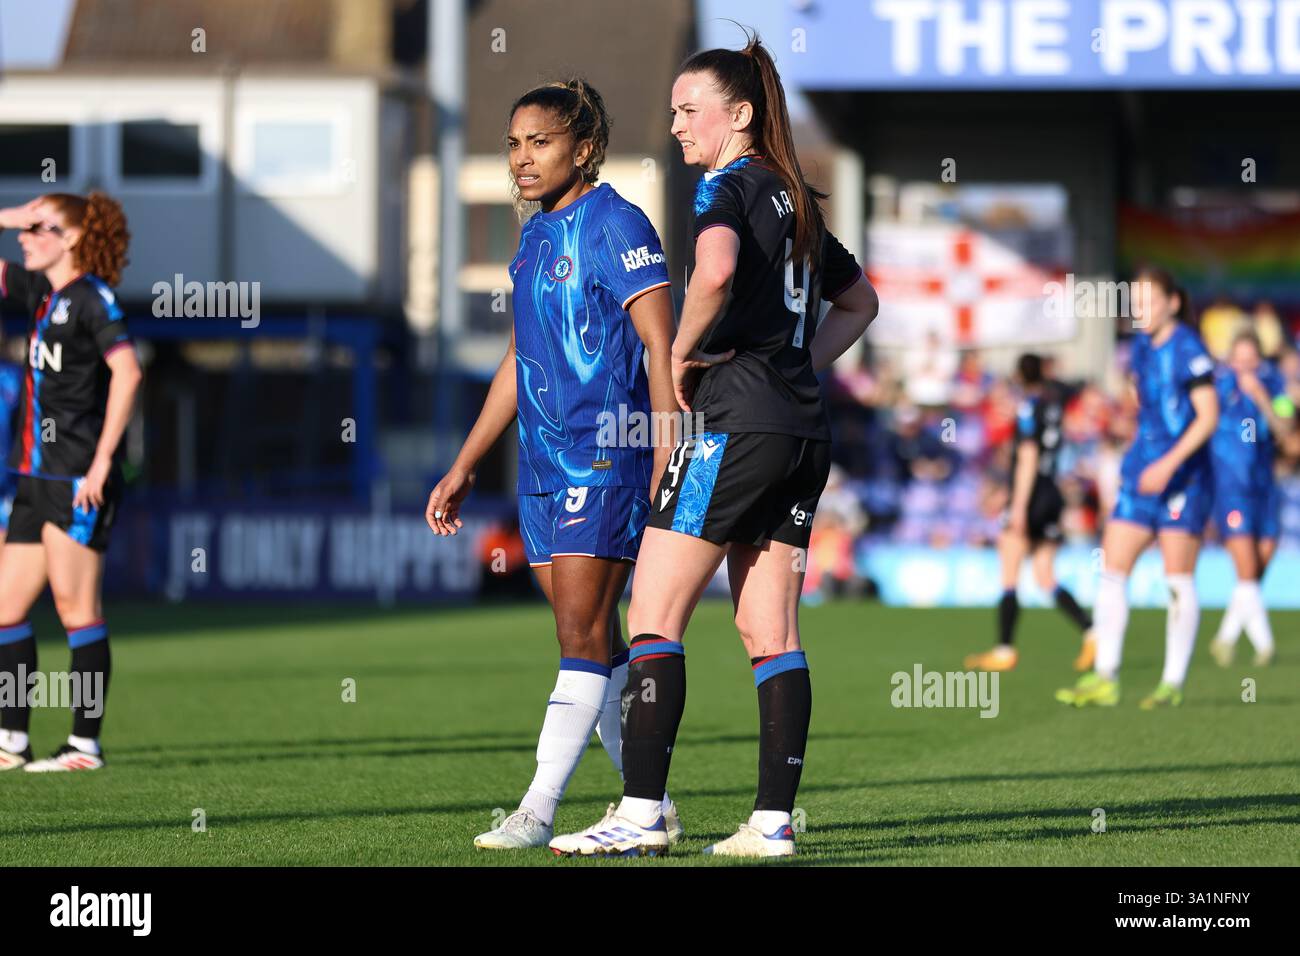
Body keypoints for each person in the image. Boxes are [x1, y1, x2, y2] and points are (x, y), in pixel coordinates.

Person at [550, 32, 879, 858]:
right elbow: (862, 302)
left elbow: (715, 273)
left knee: (653, 615)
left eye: (689, 111)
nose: (676, 127)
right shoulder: (798, 197)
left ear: (738, 116)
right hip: (802, 432)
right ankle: (770, 824)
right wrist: (795, 362)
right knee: (771, 631)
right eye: (672, 112)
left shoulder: (728, 188)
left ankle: (642, 813)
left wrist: (679, 354)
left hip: (731, 427)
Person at [425, 79, 681, 849]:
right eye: (513, 143)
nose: (522, 158)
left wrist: (668, 438)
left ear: (584, 146)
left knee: (582, 636)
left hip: (606, 454)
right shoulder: (535, 237)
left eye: (540, 142)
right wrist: (467, 461)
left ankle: (537, 809)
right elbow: (517, 357)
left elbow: (660, 342)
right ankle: (652, 805)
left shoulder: (617, 222)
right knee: (595, 646)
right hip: (539, 465)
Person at [0, 192, 141, 771]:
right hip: (34, 478)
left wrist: (105, 460)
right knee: (5, 609)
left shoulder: (92, 298)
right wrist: (16, 216)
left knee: (76, 607)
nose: (25, 237)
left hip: (78, 476)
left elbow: (128, 372)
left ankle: (85, 744)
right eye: (24, 227)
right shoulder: (43, 293)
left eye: (40, 227)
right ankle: (11, 740)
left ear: (75, 237)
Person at [1056, 268, 1218, 710]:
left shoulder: (1190, 348)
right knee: (1112, 570)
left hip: (1183, 477)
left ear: (1173, 302)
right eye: (1136, 301)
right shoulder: (1140, 348)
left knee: (1176, 580)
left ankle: (1171, 682)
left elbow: (1208, 417)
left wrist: (1168, 463)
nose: (1139, 309)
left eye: (1148, 301)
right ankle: (1106, 675)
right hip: (1141, 472)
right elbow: (1144, 404)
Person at [965, 354, 1094, 672]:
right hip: (1052, 492)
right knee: (1045, 575)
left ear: (1019, 377)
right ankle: (1093, 632)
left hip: (1032, 495)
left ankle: (1005, 649)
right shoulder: (1054, 406)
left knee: (1009, 572)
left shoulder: (1027, 409)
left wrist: (1018, 507)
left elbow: (1027, 457)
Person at [1208, 331, 1293, 667]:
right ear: (1231, 360)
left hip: (1264, 486)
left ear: (1259, 359)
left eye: (1250, 360)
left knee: (1259, 566)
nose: (1244, 366)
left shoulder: (1274, 386)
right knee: (1246, 569)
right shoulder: (1218, 389)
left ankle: (1226, 637)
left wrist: (1262, 400)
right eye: (1238, 359)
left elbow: (1285, 429)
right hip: (1231, 487)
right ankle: (1264, 645)